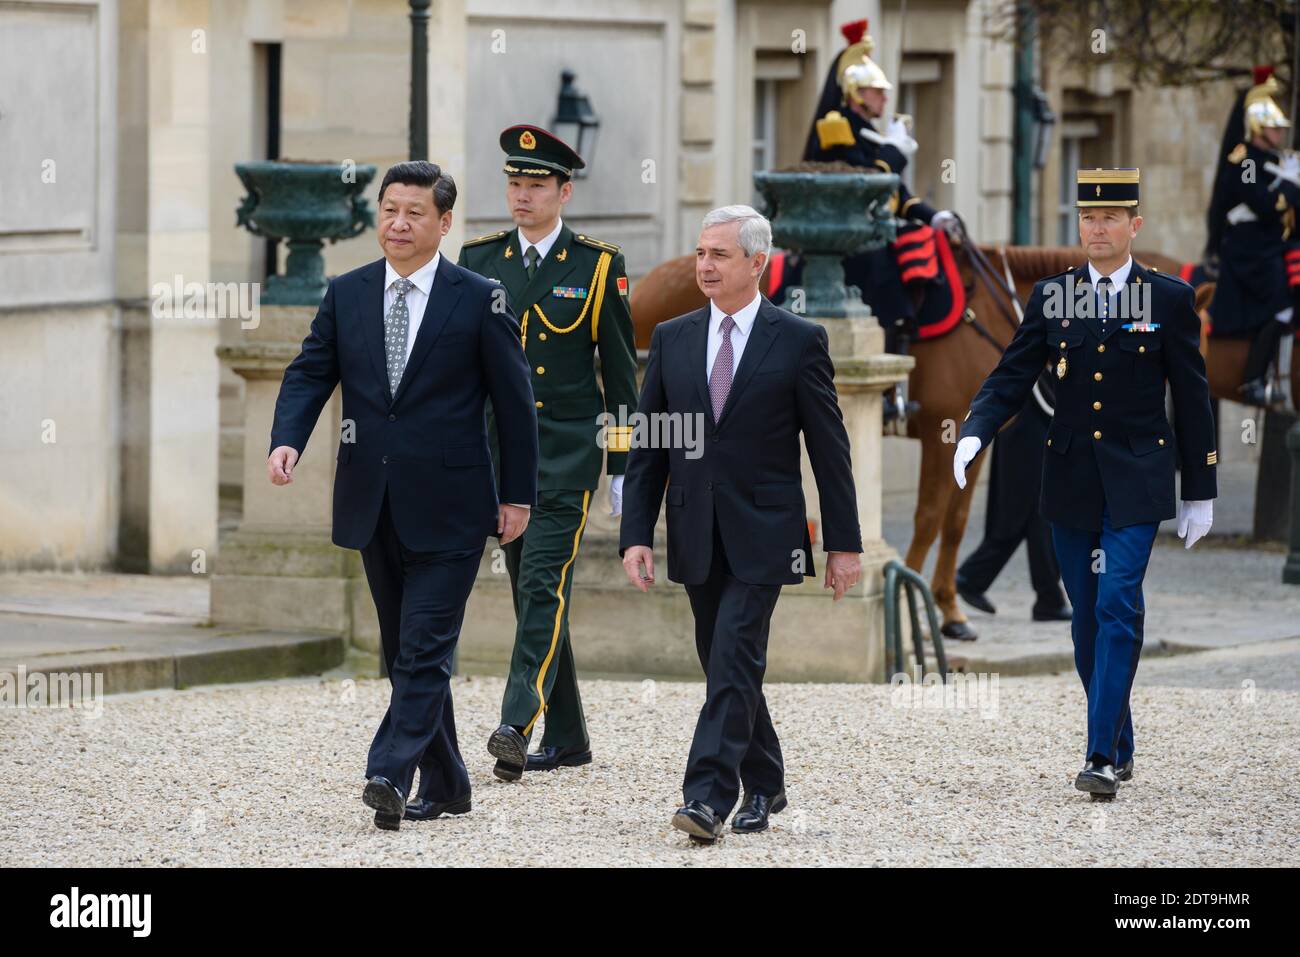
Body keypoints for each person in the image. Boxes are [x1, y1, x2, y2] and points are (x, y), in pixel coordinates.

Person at [267, 161, 539, 830]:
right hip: (372, 500)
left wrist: (519, 496)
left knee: (422, 648)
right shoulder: (347, 292)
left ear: (444, 223)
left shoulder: (479, 298)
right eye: (390, 208)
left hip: (453, 505)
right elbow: (310, 372)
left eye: (414, 212)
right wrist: (287, 438)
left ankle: (389, 768)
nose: (398, 222)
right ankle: (448, 781)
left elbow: (515, 405)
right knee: (403, 650)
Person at [953, 168, 1217, 798]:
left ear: (1134, 225)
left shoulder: (1169, 299)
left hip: (1137, 475)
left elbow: (1192, 395)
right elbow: (1012, 375)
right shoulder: (1052, 296)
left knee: (1116, 602)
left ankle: (1099, 755)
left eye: (1110, 218)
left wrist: (1200, 486)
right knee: (1084, 623)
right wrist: (975, 429)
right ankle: (1121, 742)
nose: (1097, 228)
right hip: (1070, 477)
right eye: (1088, 218)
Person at [619, 205, 862, 842]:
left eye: (719, 255)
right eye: (701, 253)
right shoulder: (671, 338)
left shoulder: (799, 339)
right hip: (696, 531)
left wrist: (843, 544)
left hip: (769, 535)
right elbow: (649, 446)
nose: (704, 265)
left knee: (732, 654)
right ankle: (767, 780)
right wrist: (636, 532)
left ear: (757, 264)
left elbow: (829, 451)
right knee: (723, 661)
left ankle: (705, 796)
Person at [458, 126, 639, 781]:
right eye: (514, 183)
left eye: (536, 185)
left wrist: (623, 466)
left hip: (565, 455)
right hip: (501, 459)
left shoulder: (597, 266)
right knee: (534, 594)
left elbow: (622, 379)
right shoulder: (479, 261)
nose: (522, 195)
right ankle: (570, 736)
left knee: (540, 582)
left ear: (564, 191)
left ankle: (515, 723)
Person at [1206, 69, 1300, 406]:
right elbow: (1264, 204)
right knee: (1283, 311)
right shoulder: (1244, 160)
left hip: (1273, 247)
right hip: (1251, 253)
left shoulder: (1273, 161)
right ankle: (1253, 380)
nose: (1280, 134)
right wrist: (1290, 185)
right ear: (1259, 127)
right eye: (1275, 128)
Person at [955, 389, 1072, 623]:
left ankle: (973, 578)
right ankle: (1048, 597)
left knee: (1022, 517)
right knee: (1034, 513)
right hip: (1026, 426)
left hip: (1032, 424)